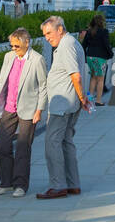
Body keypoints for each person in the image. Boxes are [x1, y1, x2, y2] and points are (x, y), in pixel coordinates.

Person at [36, 17, 93, 199]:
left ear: (60, 29)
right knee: (65, 141)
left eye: (49, 33)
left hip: (62, 105)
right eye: (44, 34)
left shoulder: (67, 44)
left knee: (52, 143)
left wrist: (83, 97)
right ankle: (72, 184)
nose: (46, 37)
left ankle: (58, 185)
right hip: (69, 102)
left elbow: (75, 75)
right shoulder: (70, 42)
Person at [0, 28, 47, 196]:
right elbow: (1, 81)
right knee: (3, 145)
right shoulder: (9, 57)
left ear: (26, 43)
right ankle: (5, 182)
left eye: (16, 46)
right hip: (9, 107)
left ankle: (20, 185)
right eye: (11, 45)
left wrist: (39, 109)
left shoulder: (37, 60)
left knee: (23, 147)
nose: (13, 49)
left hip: (29, 109)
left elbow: (43, 87)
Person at [82, 15, 115, 101]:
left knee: (93, 79)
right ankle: (98, 101)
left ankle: (89, 99)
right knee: (100, 80)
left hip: (90, 57)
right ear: (101, 22)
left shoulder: (89, 32)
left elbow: (83, 45)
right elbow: (106, 45)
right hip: (100, 58)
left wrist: (85, 57)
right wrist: (110, 54)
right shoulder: (104, 32)